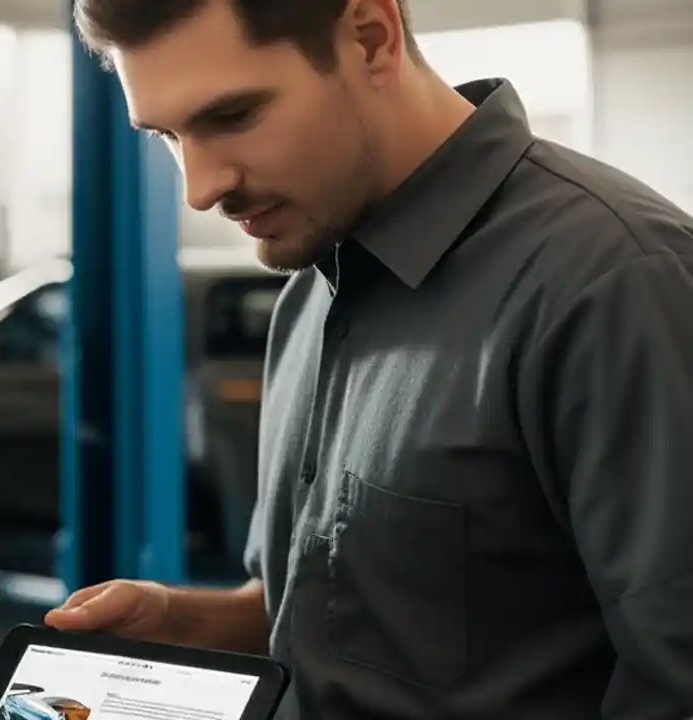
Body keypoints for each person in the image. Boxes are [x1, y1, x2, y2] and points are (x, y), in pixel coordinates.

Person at [47, 0, 693, 718]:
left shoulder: (619, 283)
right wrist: (176, 622)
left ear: (370, 36)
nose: (200, 189)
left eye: (232, 117)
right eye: (168, 134)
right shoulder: (309, 294)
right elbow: (321, 614)